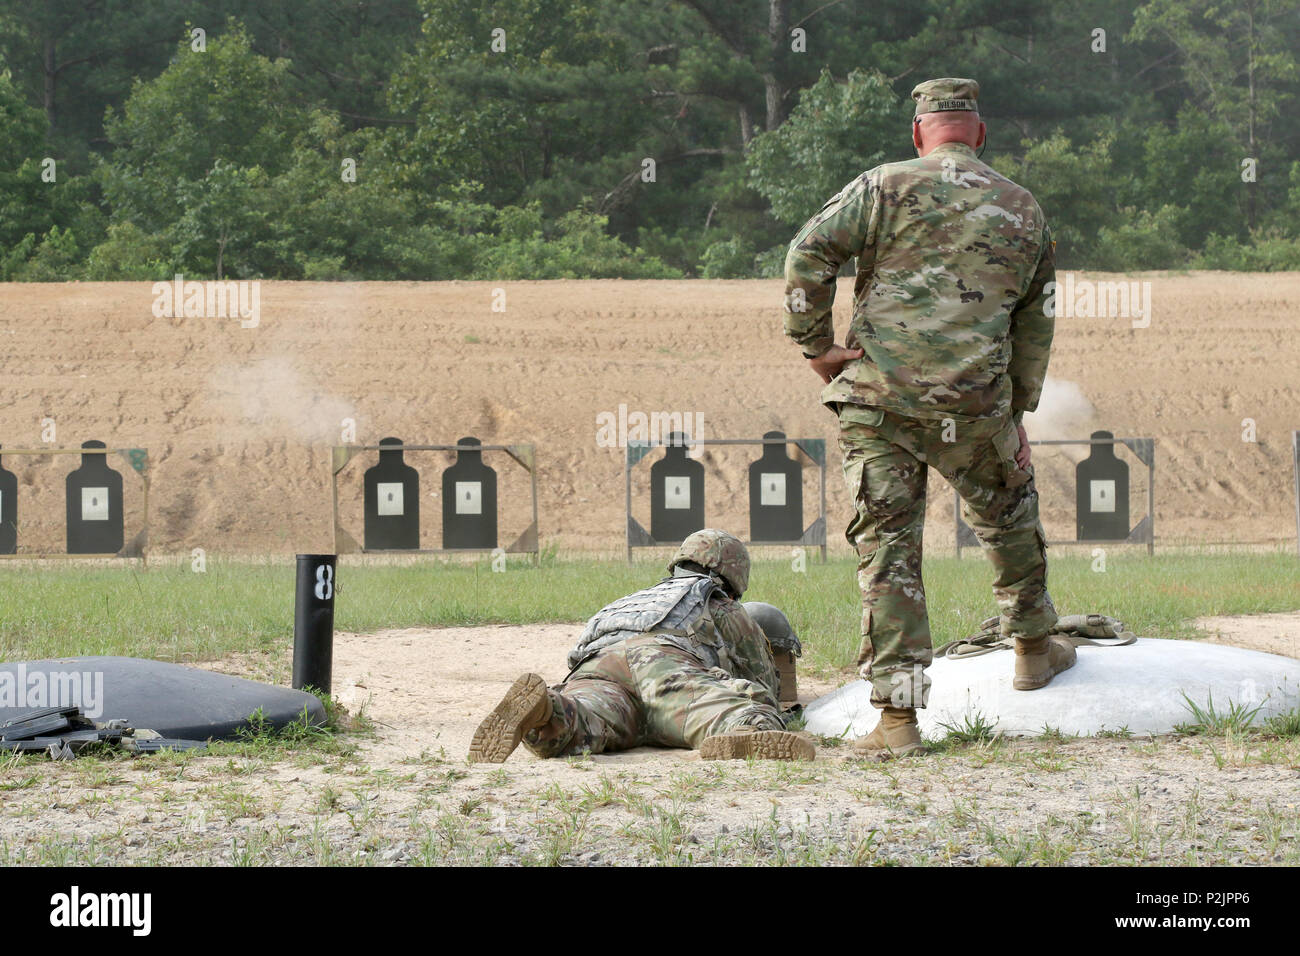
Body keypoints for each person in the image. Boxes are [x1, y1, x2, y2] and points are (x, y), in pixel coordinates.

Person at [782, 77, 1074, 759]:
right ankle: (1032, 645)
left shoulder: (882, 186)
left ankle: (897, 721)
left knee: (888, 553)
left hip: (880, 403)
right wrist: (1018, 410)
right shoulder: (1023, 207)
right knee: (1007, 514)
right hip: (974, 404)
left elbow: (807, 255)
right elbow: (1037, 322)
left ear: (920, 134)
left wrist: (817, 346)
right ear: (979, 134)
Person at [468, 529, 815, 763]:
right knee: (736, 709)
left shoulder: (637, 599)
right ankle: (745, 730)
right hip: (662, 664)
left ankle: (546, 711)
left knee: (584, 719)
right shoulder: (716, 599)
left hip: (597, 667)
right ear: (734, 574)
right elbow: (764, 680)